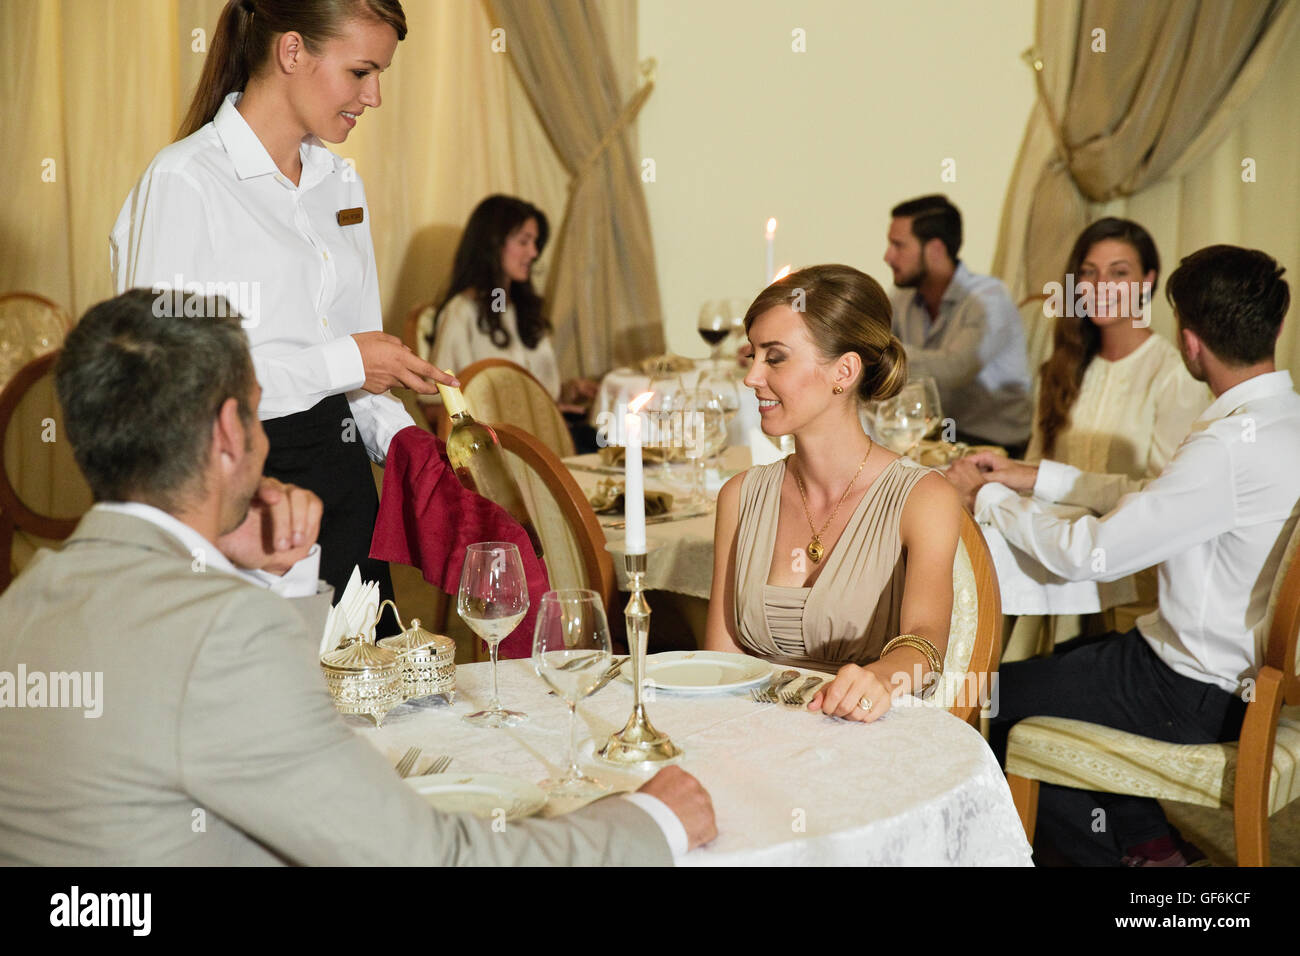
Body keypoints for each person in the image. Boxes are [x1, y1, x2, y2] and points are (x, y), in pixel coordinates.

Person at [0, 289, 716, 865]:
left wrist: (275, 579)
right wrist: (648, 821)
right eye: (256, 410)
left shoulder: (21, 604)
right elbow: (425, 860)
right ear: (227, 431)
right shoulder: (221, 635)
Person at [946, 245, 1298, 866]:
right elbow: (1159, 498)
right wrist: (1034, 477)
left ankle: (1135, 875)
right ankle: (1149, 843)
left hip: (1188, 692)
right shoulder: (1278, 423)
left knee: (982, 704)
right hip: (1244, 683)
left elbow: (1091, 554)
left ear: (1190, 344)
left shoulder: (1223, 448)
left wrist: (992, 497)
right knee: (1064, 666)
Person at [110, 0, 455, 614]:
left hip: (345, 489)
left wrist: (412, 451)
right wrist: (341, 363)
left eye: (381, 76)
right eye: (361, 72)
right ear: (292, 51)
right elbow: (161, 391)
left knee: (368, 701)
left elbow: (357, 362)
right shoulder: (185, 182)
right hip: (237, 501)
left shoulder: (341, 185)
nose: (374, 96)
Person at [703, 264, 963, 724]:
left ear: (844, 370)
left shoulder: (923, 498)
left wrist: (883, 677)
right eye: (753, 356)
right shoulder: (740, 496)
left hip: (860, 738)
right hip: (749, 743)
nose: (751, 378)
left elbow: (925, 641)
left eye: (775, 358)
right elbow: (719, 667)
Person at [1024, 218, 1209, 634]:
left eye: (1119, 272)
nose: (1100, 285)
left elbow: (1164, 497)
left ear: (1148, 281)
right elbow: (1034, 467)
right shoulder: (1061, 367)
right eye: (1089, 273)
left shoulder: (1172, 373)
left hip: (1131, 578)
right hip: (1054, 563)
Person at [418, 194, 600, 444]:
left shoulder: (524, 310)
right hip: (503, 448)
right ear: (492, 244)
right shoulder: (462, 312)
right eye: (524, 241)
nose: (534, 252)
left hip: (548, 442)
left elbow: (534, 394)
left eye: (535, 242)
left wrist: (569, 391)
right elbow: (434, 407)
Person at [884, 194, 1032, 455]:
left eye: (898, 246)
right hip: (935, 440)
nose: (888, 256)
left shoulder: (989, 298)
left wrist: (880, 350)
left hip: (994, 448)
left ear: (935, 250)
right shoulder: (902, 298)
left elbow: (955, 370)